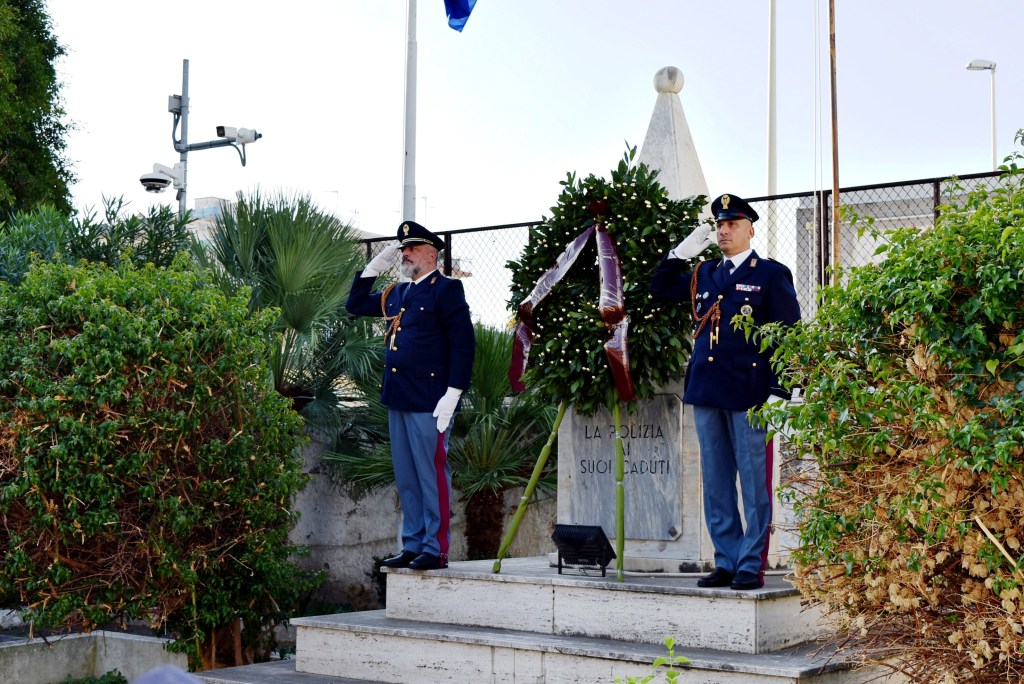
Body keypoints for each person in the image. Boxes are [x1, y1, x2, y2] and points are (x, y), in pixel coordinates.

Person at [649, 193, 801, 590]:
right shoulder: (704, 273)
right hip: (706, 390)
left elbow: (788, 335)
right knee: (716, 484)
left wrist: (780, 390)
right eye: (719, 225)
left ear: (750, 230)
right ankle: (727, 560)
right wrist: (680, 253)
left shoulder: (770, 274)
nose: (724, 231)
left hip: (751, 394)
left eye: (732, 224)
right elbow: (659, 288)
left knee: (753, 484)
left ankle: (751, 564)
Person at [346, 220, 475, 571]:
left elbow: (463, 345)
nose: (405, 254)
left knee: (431, 475)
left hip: (431, 400)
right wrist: (372, 268)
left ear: (431, 255)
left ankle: (435, 549)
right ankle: (413, 543)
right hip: (399, 396)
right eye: (403, 249)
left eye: (412, 249)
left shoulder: (446, 290)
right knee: (407, 477)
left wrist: (453, 393)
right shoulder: (399, 292)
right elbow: (354, 305)